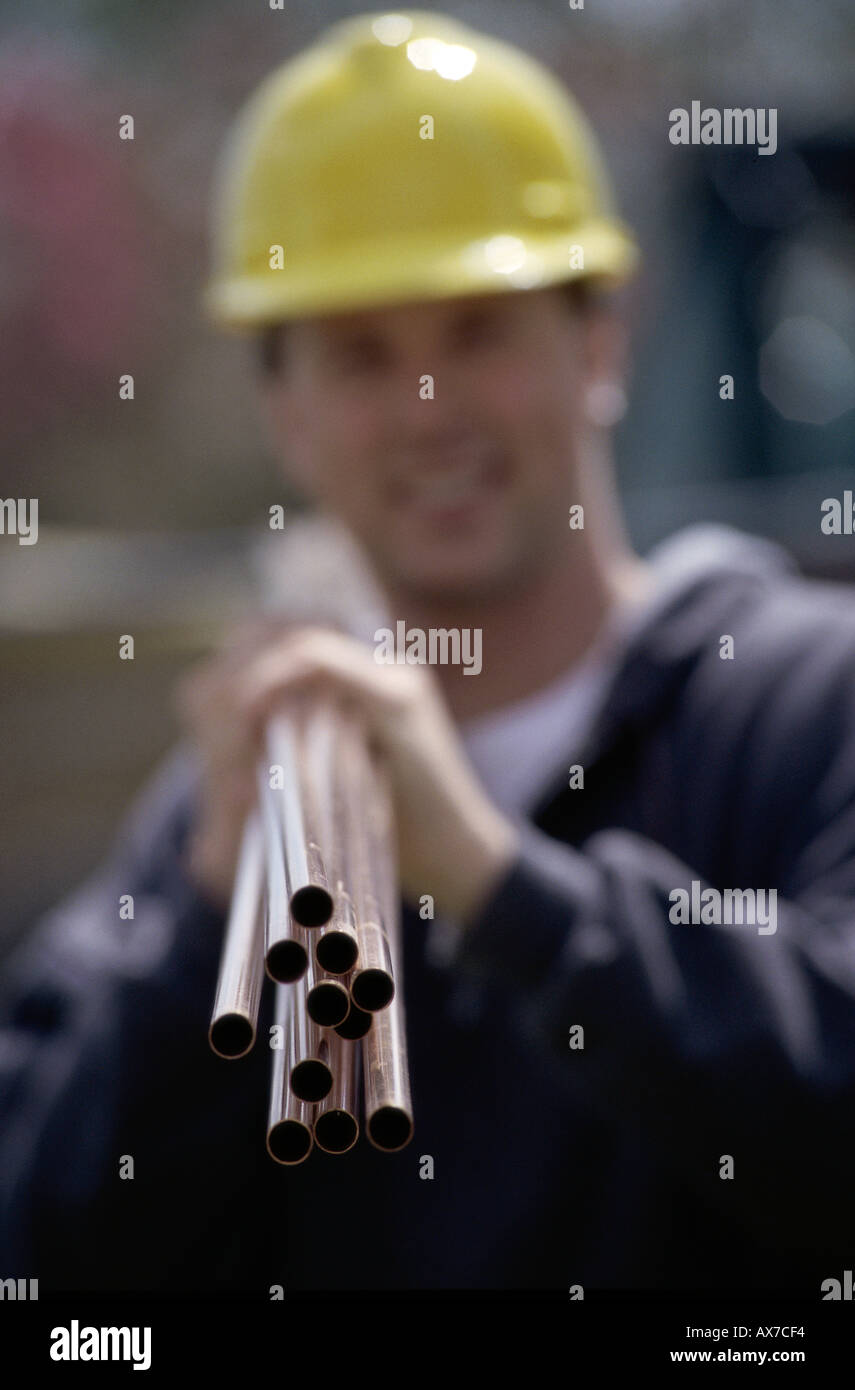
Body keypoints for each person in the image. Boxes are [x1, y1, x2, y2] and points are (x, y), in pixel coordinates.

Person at [2, 10, 855, 1298]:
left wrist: (502, 887)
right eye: (360, 355)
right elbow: (47, 1270)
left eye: (478, 332)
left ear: (600, 342)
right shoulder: (234, 801)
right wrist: (194, 934)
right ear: (283, 412)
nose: (427, 409)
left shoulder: (804, 705)